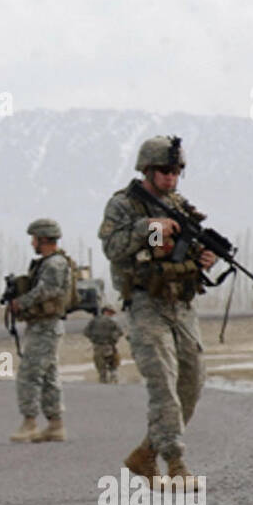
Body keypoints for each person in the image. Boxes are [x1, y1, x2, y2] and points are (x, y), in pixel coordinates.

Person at [98, 135, 216, 482]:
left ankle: (145, 456)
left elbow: (173, 249)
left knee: (191, 383)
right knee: (163, 384)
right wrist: (148, 227)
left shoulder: (179, 205)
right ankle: (176, 464)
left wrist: (201, 260)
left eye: (176, 171)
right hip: (146, 305)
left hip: (181, 304)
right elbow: (114, 247)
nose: (170, 177)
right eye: (164, 171)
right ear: (147, 170)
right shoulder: (124, 205)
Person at [8, 218, 73, 443]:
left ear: (43, 239)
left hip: (46, 327)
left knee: (29, 374)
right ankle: (55, 424)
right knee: (48, 377)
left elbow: (49, 290)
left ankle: (30, 423)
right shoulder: (49, 263)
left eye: (34, 239)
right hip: (44, 325)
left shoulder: (54, 264)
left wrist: (22, 302)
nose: (32, 243)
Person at [83, 306, 123, 383]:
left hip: (98, 347)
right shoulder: (112, 321)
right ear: (106, 312)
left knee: (101, 369)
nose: (112, 315)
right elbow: (120, 332)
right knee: (113, 365)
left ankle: (104, 385)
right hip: (110, 346)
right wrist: (114, 339)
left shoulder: (94, 320)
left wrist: (93, 339)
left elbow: (86, 332)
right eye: (111, 313)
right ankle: (114, 380)